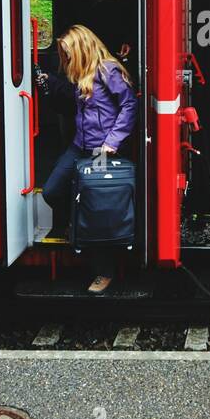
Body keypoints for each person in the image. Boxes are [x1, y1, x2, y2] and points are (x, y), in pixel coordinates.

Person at [37, 24, 137, 294]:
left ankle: (104, 272)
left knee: (95, 209)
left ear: (83, 48)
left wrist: (111, 142)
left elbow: (129, 105)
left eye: (68, 53)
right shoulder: (82, 73)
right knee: (52, 190)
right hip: (80, 146)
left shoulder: (108, 69)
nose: (66, 59)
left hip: (101, 151)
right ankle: (78, 225)